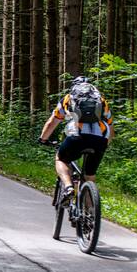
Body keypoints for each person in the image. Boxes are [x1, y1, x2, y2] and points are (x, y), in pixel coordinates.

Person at [38, 76, 112, 205]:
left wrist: (43, 139)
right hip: (100, 139)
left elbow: (52, 122)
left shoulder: (68, 98)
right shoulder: (101, 100)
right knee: (89, 176)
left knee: (61, 158)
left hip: (76, 136)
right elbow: (111, 127)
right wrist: (105, 145)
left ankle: (68, 187)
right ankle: (90, 216)